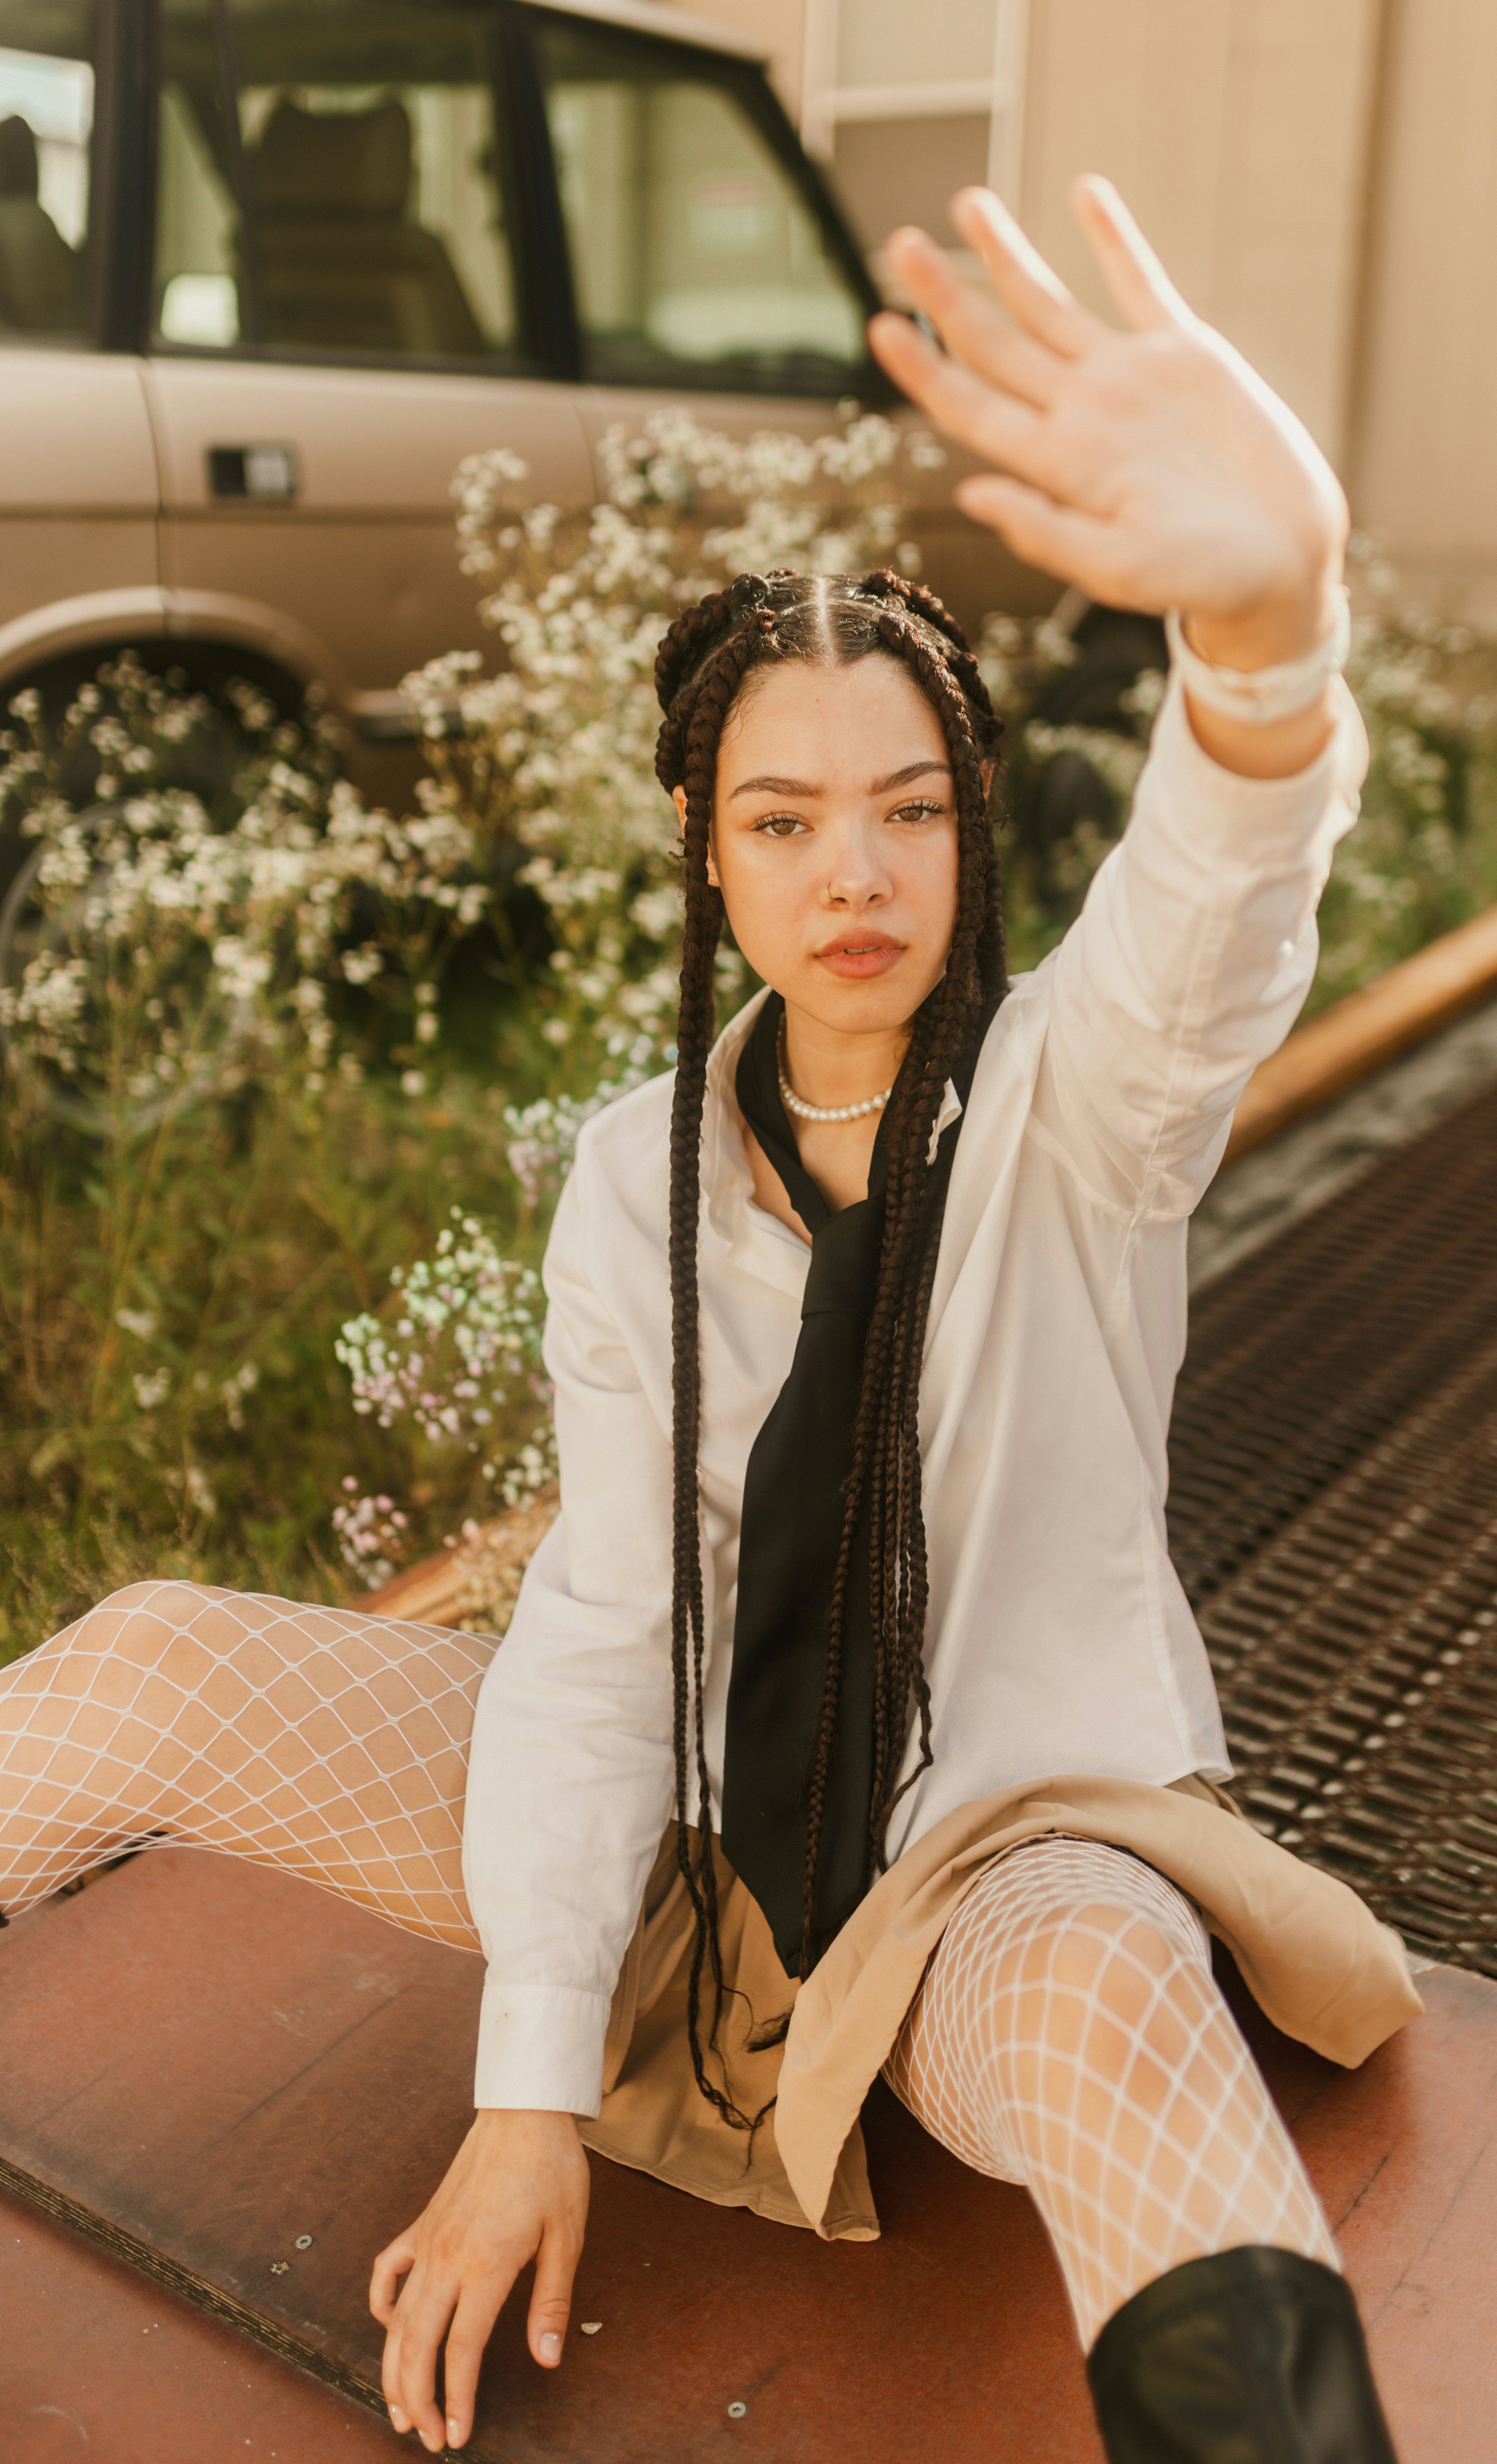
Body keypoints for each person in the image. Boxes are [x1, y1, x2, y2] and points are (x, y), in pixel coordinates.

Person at [0, 182, 1421, 2462]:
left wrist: (1270, 634)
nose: (852, 876)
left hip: (968, 1882)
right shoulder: (632, 1175)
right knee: (158, 1655)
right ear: (705, 848)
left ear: (971, 831)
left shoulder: (1077, 1109)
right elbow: (600, 1623)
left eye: (909, 812)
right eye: (784, 822)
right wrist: (528, 2092)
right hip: (688, 1864)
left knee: (1114, 2005)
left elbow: (1214, 920)